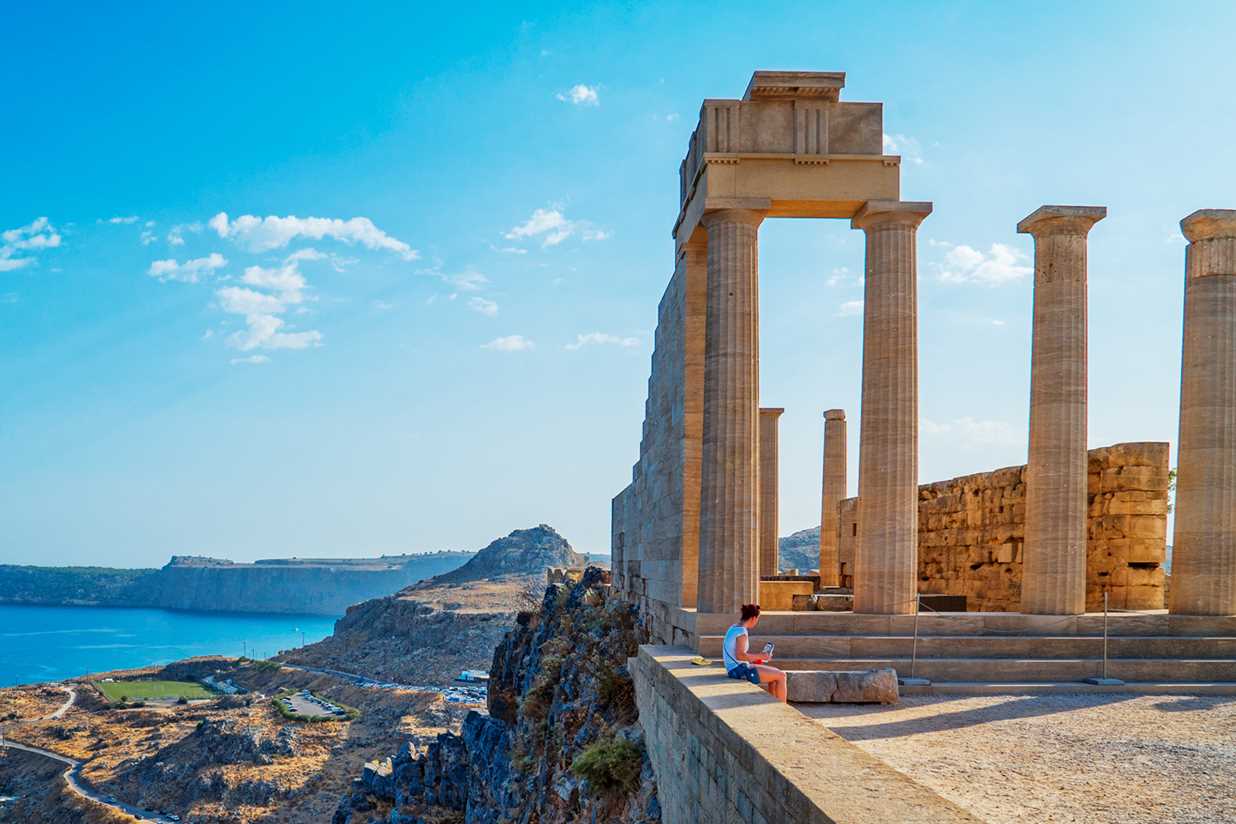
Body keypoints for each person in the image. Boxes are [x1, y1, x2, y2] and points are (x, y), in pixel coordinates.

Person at [721, 603, 787, 702]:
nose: (756, 622)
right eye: (757, 619)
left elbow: (737, 655)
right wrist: (762, 656)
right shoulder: (741, 632)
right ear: (753, 618)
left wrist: (758, 658)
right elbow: (740, 655)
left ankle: (775, 705)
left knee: (774, 677)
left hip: (735, 669)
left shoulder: (734, 627)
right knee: (782, 676)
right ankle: (784, 710)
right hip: (739, 671)